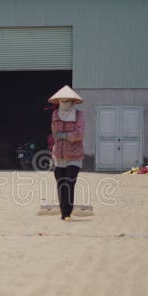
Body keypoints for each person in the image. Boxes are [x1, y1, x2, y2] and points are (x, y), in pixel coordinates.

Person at [48, 85, 85, 221]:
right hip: (58, 155)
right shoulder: (55, 114)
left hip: (74, 156)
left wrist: (65, 135)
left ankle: (68, 212)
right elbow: (54, 133)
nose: (64, 104)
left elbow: (80, 133)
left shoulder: (79, 115)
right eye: (62, 101)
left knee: (70, 182)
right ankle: (63, 213)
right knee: (61, 183)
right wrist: (59, 136)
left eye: (66, 101)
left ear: (72, 101)